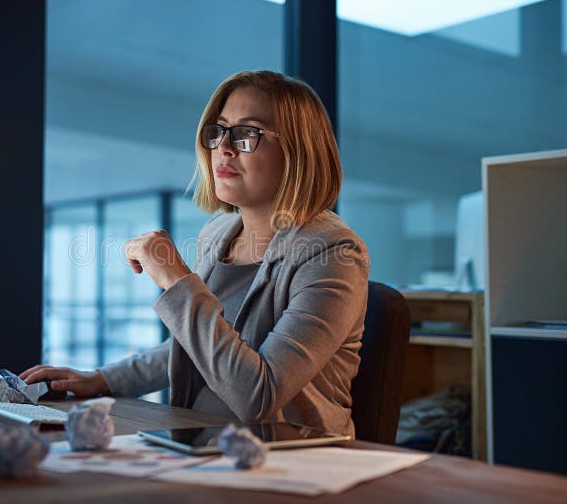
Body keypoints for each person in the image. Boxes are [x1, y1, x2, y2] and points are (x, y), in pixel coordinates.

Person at [21, 70, 369, 436]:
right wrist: (101, 379)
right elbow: (194, 343)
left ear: (299, 150)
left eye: (247, 133)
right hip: (201, 446)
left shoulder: (333, 253)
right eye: (218, 131)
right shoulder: (218, 232)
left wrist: (176, 279)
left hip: (288, 464)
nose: (224, 147)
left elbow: (258, 395)